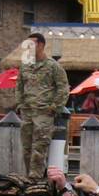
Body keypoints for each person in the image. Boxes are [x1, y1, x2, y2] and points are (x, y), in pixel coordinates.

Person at [16, 32, 70, 180]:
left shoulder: (53, 66)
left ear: (40, 45)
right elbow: (19, 86)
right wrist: (20, 104)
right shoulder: (25, 65)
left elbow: (63, 88)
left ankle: (35, 178)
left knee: (39, 148)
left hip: (44, 113)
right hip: (27, 112)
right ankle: (29, 176)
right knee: (27, 148)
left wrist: (54, 107)